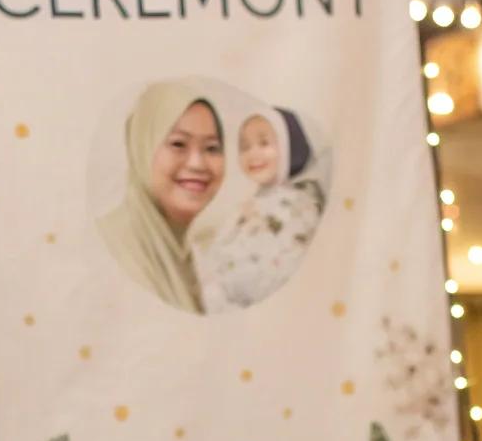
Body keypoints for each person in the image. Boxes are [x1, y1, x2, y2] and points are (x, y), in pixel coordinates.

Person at [97, 80, 226, 313]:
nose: (197, 164)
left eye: (212, 148)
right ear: (142, 145)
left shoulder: (204, 250)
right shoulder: (111, 249)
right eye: (178, 144)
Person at [199, 107, 328, 312]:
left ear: (290, 146)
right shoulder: (257, 200)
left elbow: (277, 274)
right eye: (245, 146)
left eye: (264, 143)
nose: (253, 154)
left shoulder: (299, 206)